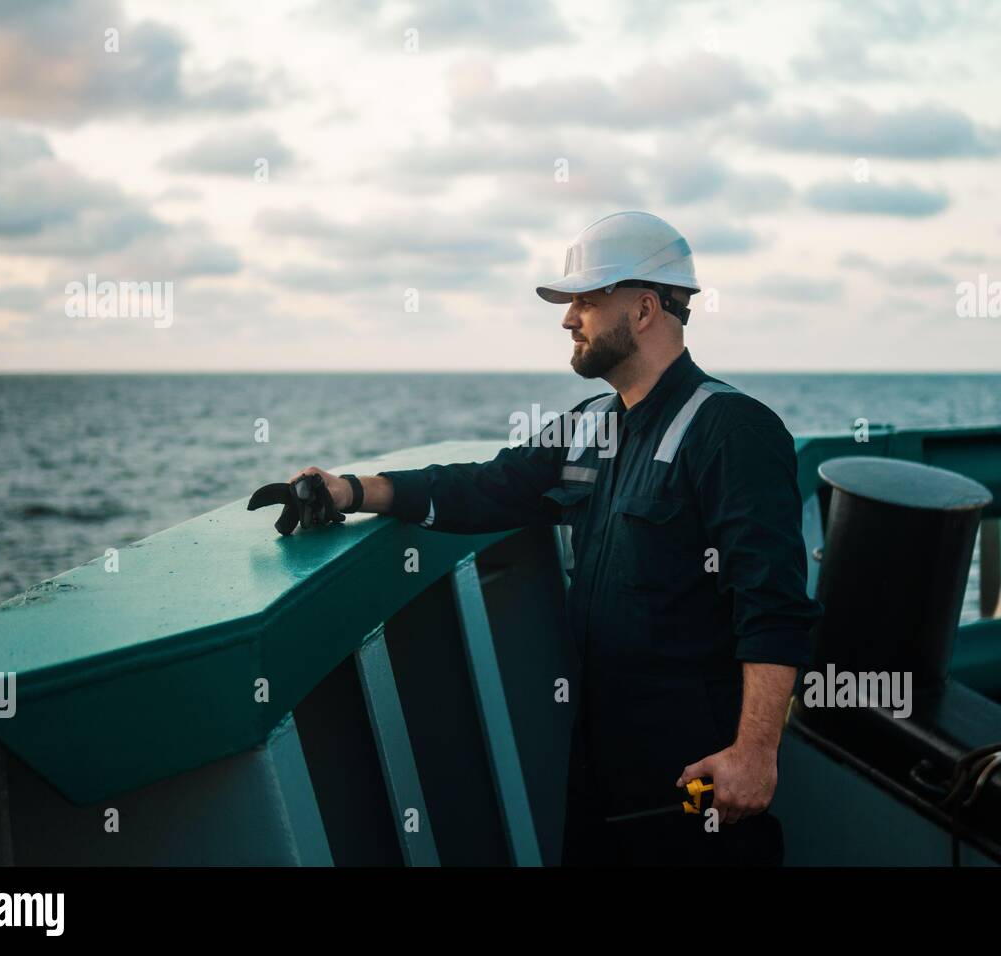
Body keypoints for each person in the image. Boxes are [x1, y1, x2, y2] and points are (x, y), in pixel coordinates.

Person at [291, 211, 823, 865]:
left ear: (646, 308)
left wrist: (755, 750)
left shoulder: (731, 431)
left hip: (694, 764)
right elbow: (484, 487)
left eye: (584, 301)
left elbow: (772, 604)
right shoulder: (590, 426)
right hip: (601, 757)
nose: (569, 320)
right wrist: (349, 490)